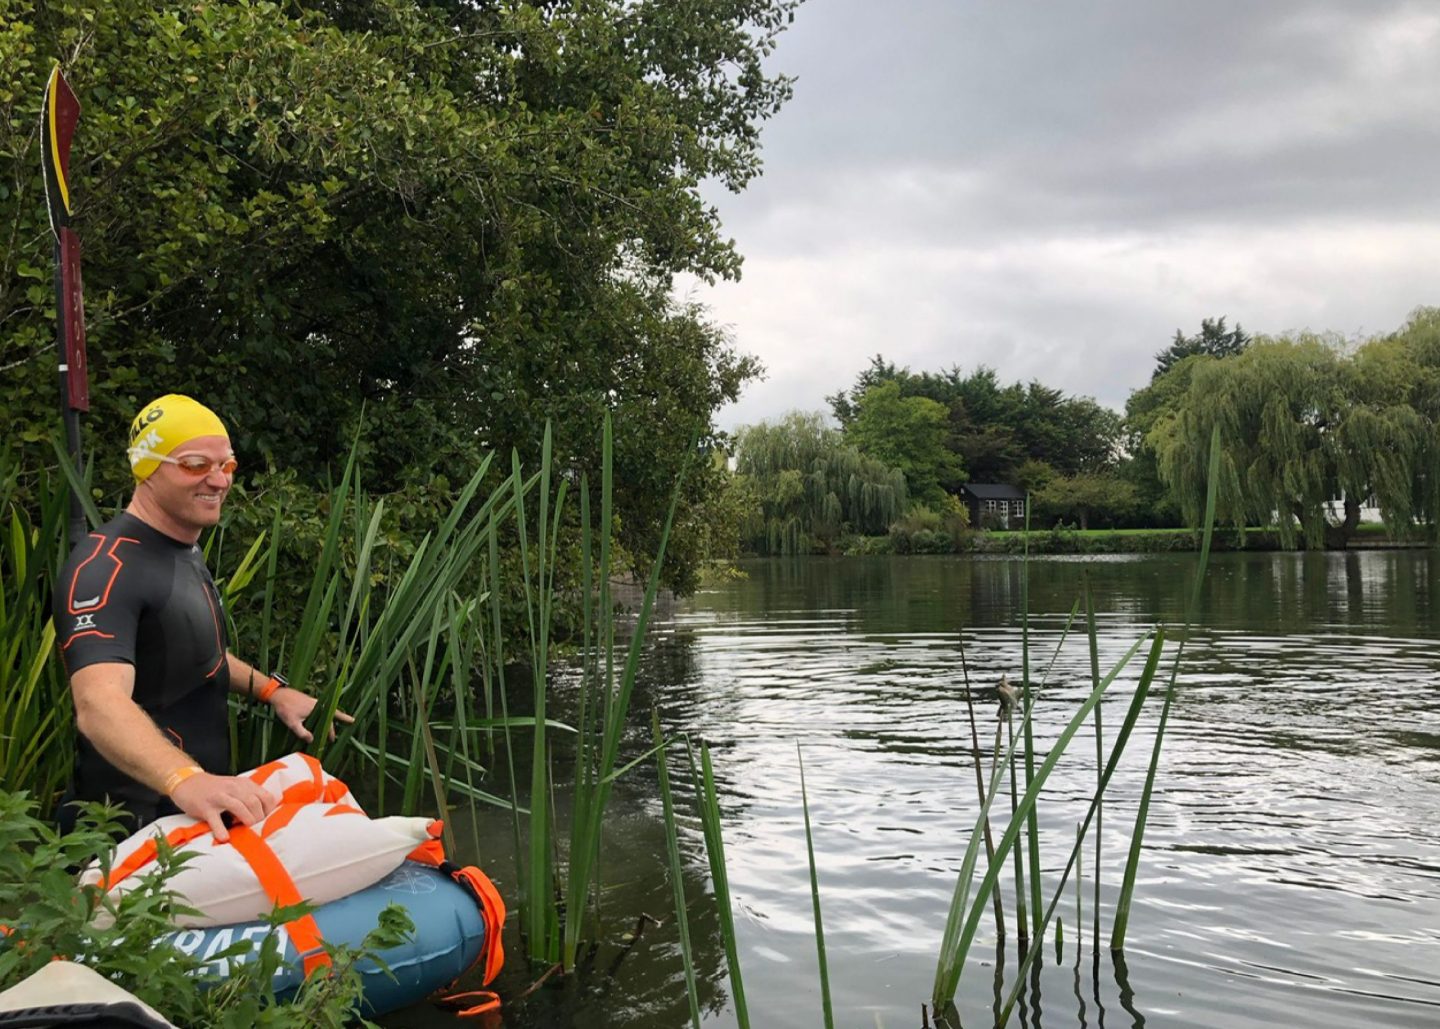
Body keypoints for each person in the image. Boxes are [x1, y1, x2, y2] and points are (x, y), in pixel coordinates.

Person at [53, 394, 351, 841]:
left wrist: (273, 691)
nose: (218, 481)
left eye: (226, 465)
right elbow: (98, 705)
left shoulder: (182, 548)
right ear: (146, 468)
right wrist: (186, 780)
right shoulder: (106, 566)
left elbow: (193, 653)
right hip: (127, 835)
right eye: (195, 465)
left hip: (197, 819)